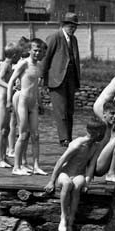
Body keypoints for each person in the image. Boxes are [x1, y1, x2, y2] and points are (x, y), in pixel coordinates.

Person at [43, 118, 109, 231]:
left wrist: (87, 182)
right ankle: (63, 217)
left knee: (78, 184)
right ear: (97, 133)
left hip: (79, 174)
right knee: (68, 184)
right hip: (65, 173)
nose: (104, 135)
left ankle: (71, 222)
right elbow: (60, 161)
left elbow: (91, 165)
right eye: (103, 132)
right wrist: (51, 181)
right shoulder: (77, 144)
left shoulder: (96, 146)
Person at [40, 12, 81, 146]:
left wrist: (77, 80)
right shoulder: (54, 37)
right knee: (60, 109)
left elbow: (76, 60)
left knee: (70, 110)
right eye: (70, 25)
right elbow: (45, 58)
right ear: (63, 25)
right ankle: (63, 138)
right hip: (56, 78)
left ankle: (68, 137)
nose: (73, 28)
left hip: (70, 78)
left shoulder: (74, 39)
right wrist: (42, 76)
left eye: (74, 26)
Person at [8, 38, 47, 175]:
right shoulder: (24, 64)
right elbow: (11, 82)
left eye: (40, 51)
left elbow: (36, 88)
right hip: (22, 101)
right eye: (35, 50)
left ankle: (36, 165)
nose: (37, 53)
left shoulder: (39, 66)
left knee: (35, 135)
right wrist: (8, 101)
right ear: (30, 50)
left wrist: (40, 103)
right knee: (23, 134)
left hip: (33, 102)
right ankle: (16, 166)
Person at [0, 45, 22, 168]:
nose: (19, 57)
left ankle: (4, 157)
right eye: (19, 55)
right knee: (1, 131)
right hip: (0, 100)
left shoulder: (10, 66)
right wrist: (11, 86)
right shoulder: (5, 65)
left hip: (5, 100)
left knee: (7, 130)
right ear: (14, 55)